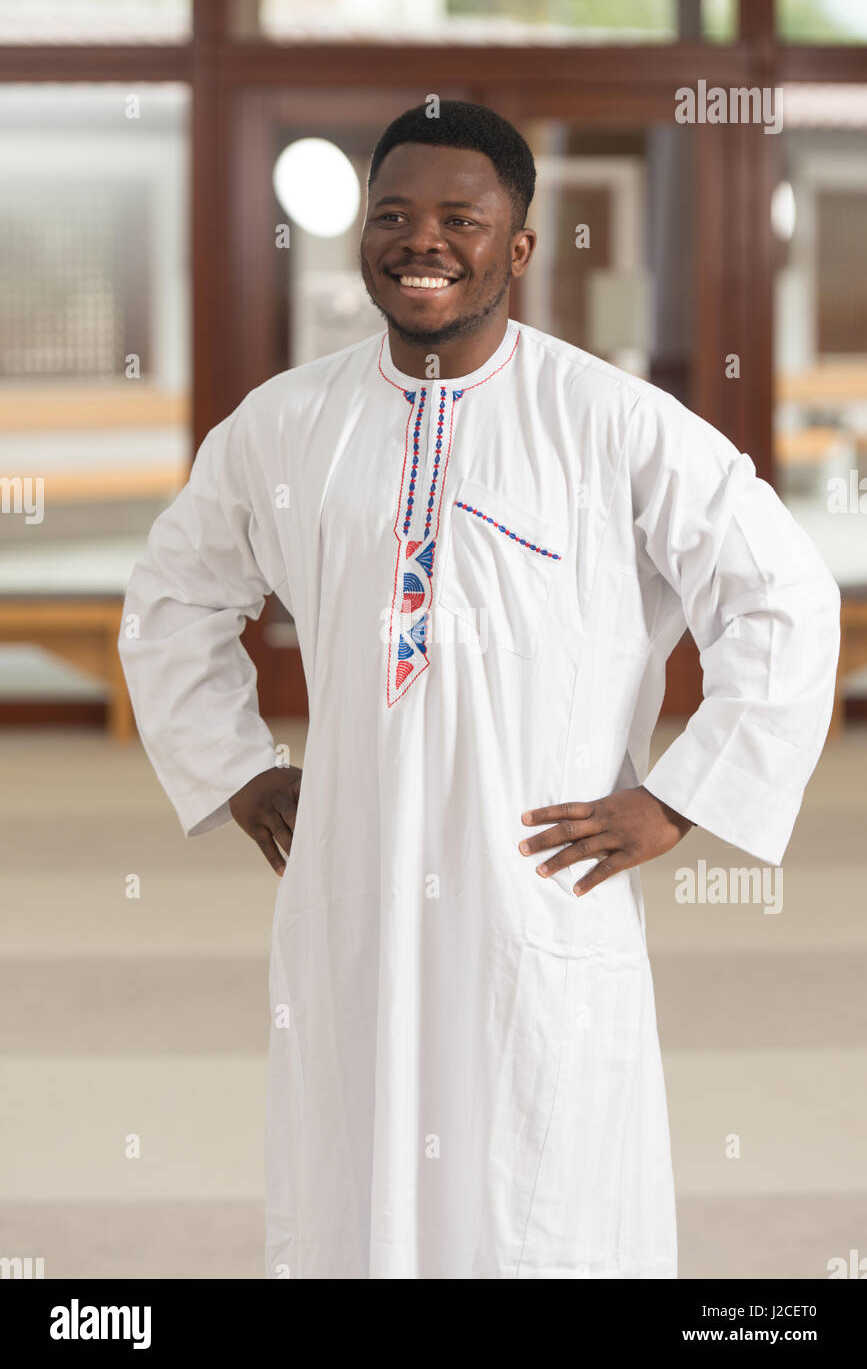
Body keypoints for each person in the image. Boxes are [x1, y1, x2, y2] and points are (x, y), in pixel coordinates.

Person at [118, 101, 841, 1279]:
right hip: (352, 885)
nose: (424, 241)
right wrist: (237, 768)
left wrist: (679, 800)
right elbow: (174, 596)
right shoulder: (286, 427)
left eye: (462, 217)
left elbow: (786, 599)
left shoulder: (611, 424)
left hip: (540, 895)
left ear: (520, 245)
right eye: (395, 215)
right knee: (353, 1179)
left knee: (545, 1194)